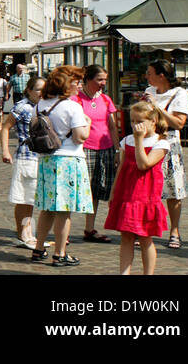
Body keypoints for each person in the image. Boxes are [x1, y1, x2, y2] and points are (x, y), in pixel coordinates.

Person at [29, 65, 92, 267]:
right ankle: (60, 253)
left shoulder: (40, 104)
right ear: (67, 84)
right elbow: (80, 136)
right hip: (68, 160)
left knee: (47, 209)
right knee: (64, 211)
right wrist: (88, 123)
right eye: (77, 82)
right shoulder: (72, 106)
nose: (79, 85)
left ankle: (39, 248)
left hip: (47, 159)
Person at [103, 100, 169, 275]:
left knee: (145, 237)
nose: (135, 125)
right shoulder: (127, 140)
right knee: (126, 237)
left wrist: (139, 140)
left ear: (153, 121)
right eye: (132, 121)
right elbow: (122, 167)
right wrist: (113, 191)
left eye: (139, 121)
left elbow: (143, 164)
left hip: (146, 195)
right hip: (127, 193)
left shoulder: (160, 143)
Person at [143, 60, 188, 248]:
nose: (147, 76)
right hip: (149, 141)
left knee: (173, 189)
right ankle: (147, 229)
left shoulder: (180, 94)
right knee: (147, 188)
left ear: (161, 75)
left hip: (169, 143)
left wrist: (157, 108)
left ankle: (174, 231)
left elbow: (179, 123)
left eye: (150, 73)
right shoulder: (149, 91)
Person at [74, 64, 120, 245]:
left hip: (106, 149)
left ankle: (89, 228)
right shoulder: (76, 100)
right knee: (81, 189)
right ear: (87, 79)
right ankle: (65, 227)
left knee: (98, 189)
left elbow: (112, 127)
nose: (103, 83)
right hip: (85, 149)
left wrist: (117, 150)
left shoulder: (106, 100)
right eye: (99, 79)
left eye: (105, 80)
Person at [0, 75, 46, 248]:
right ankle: (22, 234)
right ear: (29, 90)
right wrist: (5, 151)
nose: (42, 92)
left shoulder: (42, 106)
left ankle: (28, 233)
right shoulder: (22, 107)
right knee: (24, 197)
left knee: (32, 198)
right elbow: (6, 127)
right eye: (39, 89)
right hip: (26, 156)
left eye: (44, 89)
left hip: (40, 157)